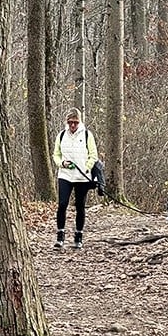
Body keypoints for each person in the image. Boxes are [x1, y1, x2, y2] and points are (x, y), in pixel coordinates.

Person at [52, 107, 98, 249]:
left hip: (82, 177)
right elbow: (56, 155)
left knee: (80, 206)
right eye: (70, 122)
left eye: (75, 122)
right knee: (62, 204)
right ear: (67, 122)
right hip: (65, 175)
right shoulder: (61, 135)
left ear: (79, 122)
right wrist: (62, 163)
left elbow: (93, 155)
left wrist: (87, 167)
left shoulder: (86, 135)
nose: (72, 125)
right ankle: (60, 235)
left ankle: (78, 236)